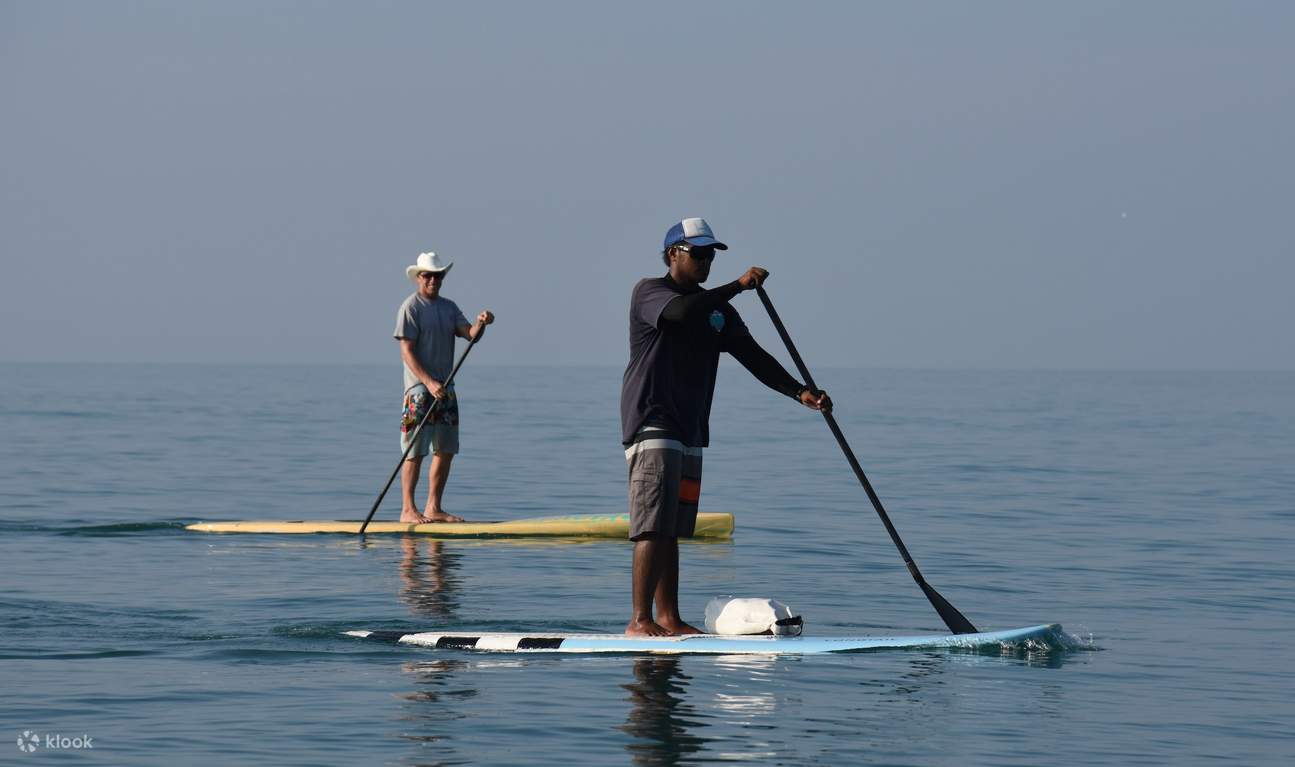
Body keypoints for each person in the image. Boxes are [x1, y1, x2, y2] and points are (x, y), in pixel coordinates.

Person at [620, 218, 831, 636]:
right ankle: (639, 621)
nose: (705, 261)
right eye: (698, 253)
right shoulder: (650, 292)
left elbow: (754, 357)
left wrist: (798, 391)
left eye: (710, 254)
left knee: (673, 529)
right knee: (651, 526)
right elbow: (679, 313)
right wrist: (738, 285)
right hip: (653, 421)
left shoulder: (719, 311)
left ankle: (668, 619)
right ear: (672, 255)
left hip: (691, 428)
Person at [394, 251, 494, 524]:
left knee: (446, 448)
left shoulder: (449, 307)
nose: (433, 280)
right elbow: (407, 351)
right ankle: (407, 509)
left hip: (445, 390)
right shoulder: (410, 307)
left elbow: (470, 335)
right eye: (428, 275)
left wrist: (482, 323)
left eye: (437, 276)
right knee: (414, 450)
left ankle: (433, 507)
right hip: (419, 390)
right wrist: (428, 382)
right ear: (418, 277)